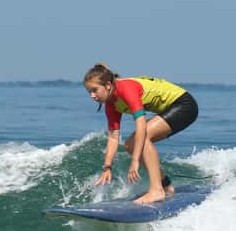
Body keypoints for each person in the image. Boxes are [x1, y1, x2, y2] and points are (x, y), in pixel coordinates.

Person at [83, 63, 198, 204]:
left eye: (95, 90)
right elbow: (113, 137)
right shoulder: (111, 104)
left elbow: (141, 126)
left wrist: (135, 160)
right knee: (130, 145)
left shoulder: (126, 89)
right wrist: (107, 167)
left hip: (184, 105)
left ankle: (157, 191)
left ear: (107, 85)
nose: (92, 96)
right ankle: (166, 186)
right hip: (173, 108)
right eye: (89, 92)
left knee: (136, 140)